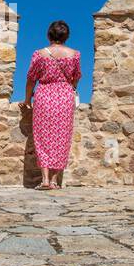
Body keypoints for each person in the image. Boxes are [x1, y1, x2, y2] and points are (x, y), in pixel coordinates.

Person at [19, 20, 81, 189]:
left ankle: (45, 180)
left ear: (49, 35)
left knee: (42, 137)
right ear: (66, 36)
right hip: (64, 97)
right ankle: (54, 180)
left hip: (44, 95)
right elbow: (76, 77)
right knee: (62, 138)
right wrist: (70, 87)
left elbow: (31, 79)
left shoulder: (39, 54)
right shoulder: (75, 54)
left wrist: (27, 100)